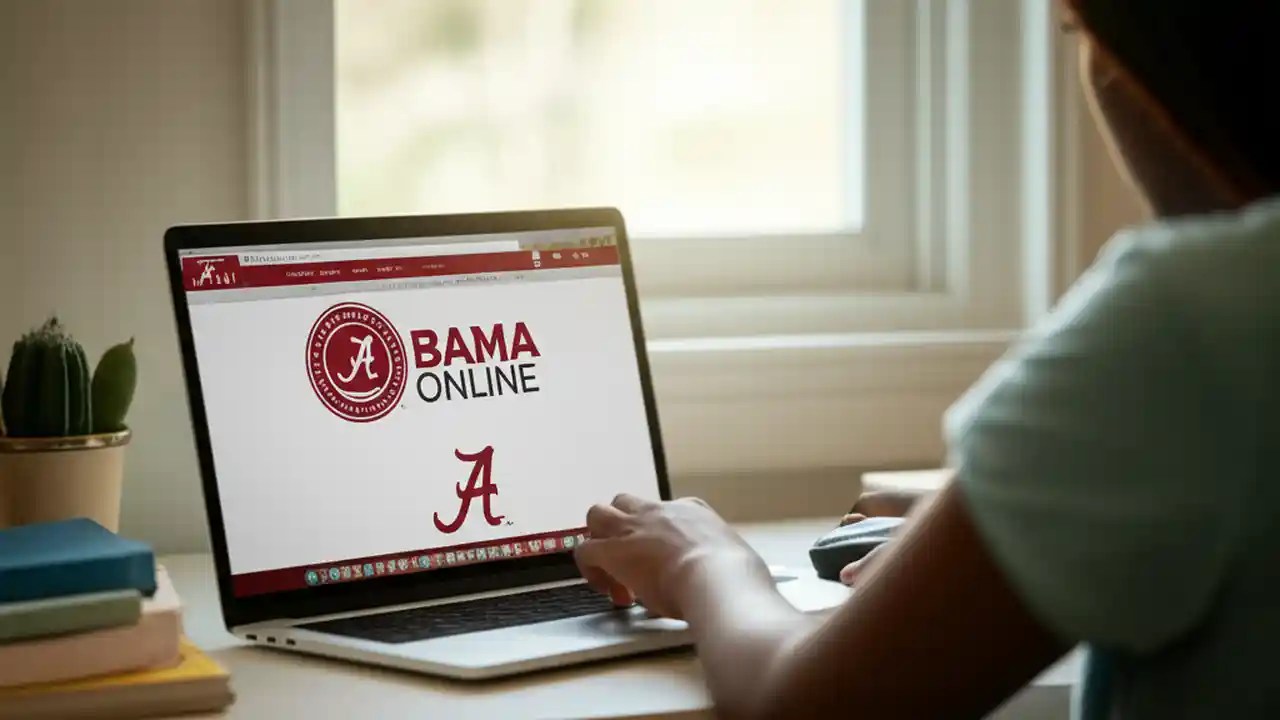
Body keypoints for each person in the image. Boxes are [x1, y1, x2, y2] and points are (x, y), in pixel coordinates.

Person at [573, 1, 1280, 718]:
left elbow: (808, 706)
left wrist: (702, 561)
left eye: (1080, 34)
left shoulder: (1189, 316)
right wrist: (1017, 507)